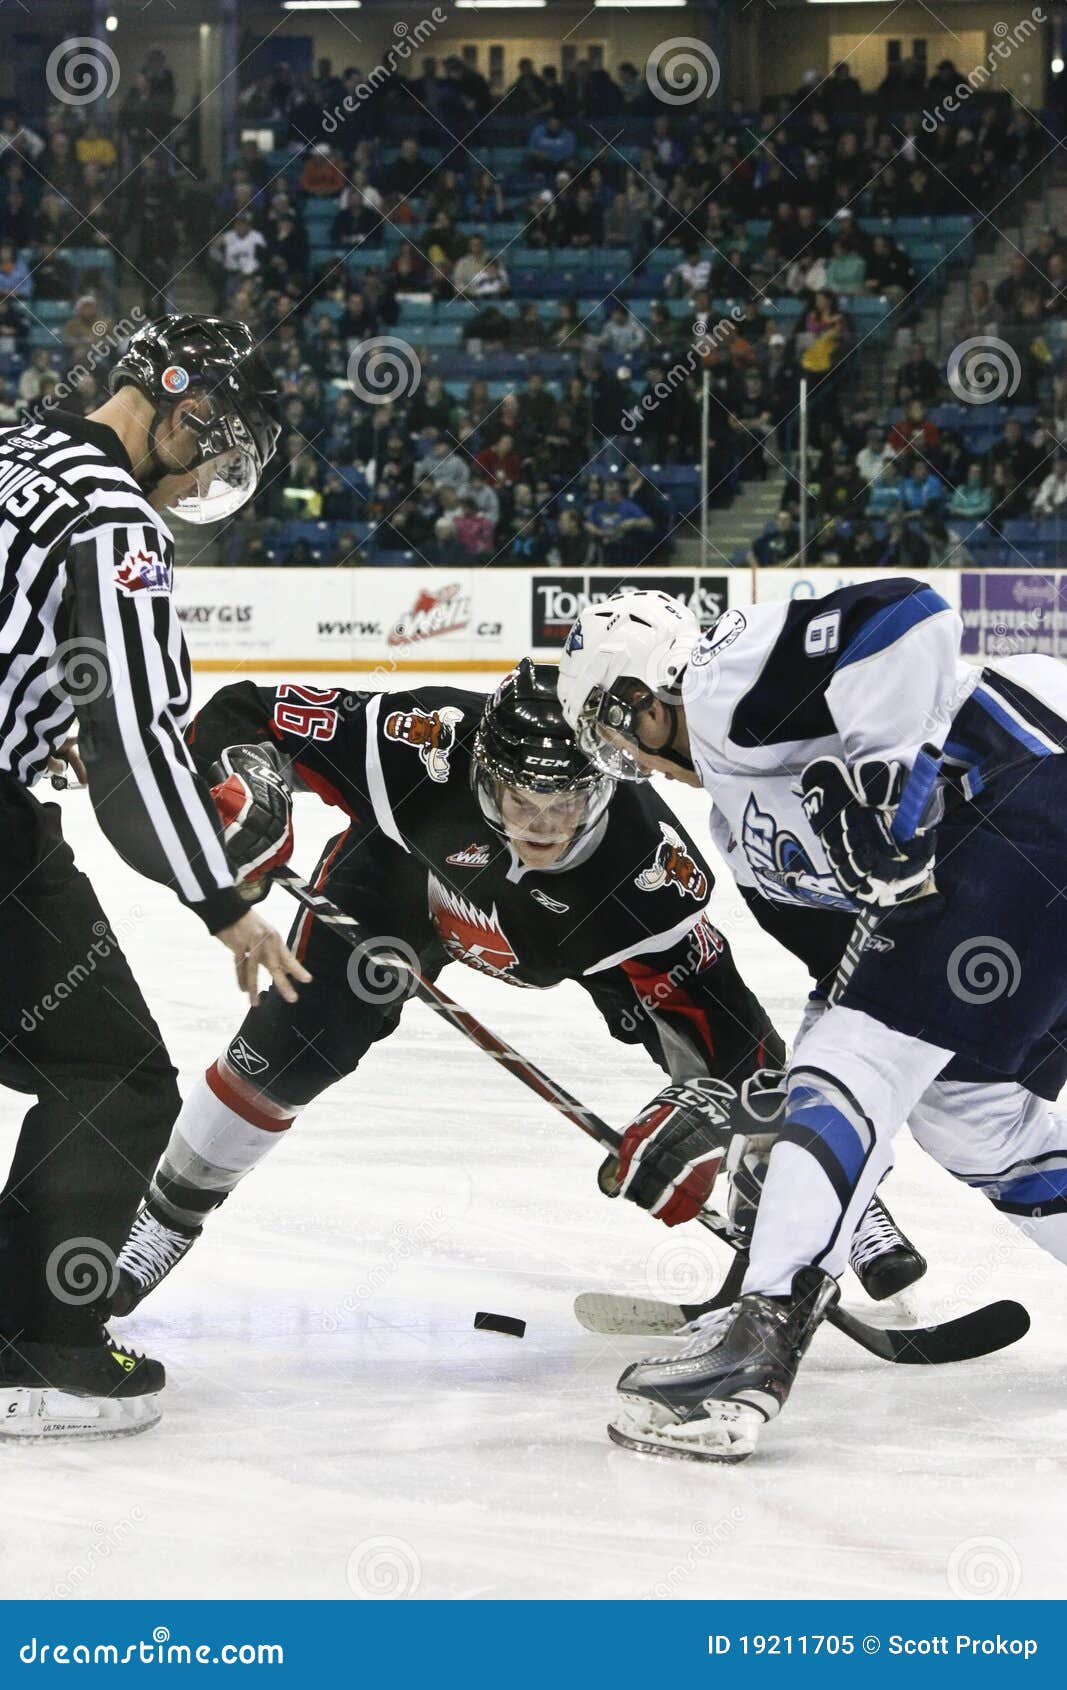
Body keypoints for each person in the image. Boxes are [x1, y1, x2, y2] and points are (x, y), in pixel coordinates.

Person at [109, 665, 919, 1320]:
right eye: (519, 800)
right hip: (401, 891)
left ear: (603, 783)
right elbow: (243, 710)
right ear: (480, 772)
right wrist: (250, 782)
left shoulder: (644, 868)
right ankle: (165, 1218)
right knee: (288, 1050)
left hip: (573, 936)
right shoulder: (420, 743)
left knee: (733, 1054)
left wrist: (715, 1111)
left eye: (566, 802)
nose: (542, 825)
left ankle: (830, 1194)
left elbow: (723, 1028)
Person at [558, 585, 1067, 1461]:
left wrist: (882, 781)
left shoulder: (722, 682)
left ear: (638, 697)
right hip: (1010, 888)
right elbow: (850, 979)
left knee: (858, 1058)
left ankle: (754, 1348)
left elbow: (907, 614)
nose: (622, 760)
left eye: (610, 733)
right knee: (965, 1114)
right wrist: (776, 1111)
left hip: (1025, 774)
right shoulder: (735, 824)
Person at [0, 315, 308, 1441]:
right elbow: (132, 734)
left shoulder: (12, 449)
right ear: (182, 407)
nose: (217, 471)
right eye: (221, 442)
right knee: (110, 1070)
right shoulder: (115, 520)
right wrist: (222, 900)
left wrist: (35, 719)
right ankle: (40, 1346)